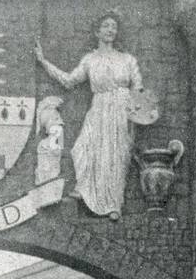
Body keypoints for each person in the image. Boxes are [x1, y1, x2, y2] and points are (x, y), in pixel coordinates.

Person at [34, 12, 149, 221]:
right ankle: (85, 189)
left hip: (122, 109)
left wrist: (137, 113)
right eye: (106, 26)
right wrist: (43, 62)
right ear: (97, 31)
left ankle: (114, 204)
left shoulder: (127, 60)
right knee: (82, 148)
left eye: (114, 26)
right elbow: (69, 81)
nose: (110, 30)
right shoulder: (90, 59)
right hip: (99, 106)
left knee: (116, 155)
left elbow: (138, 88)